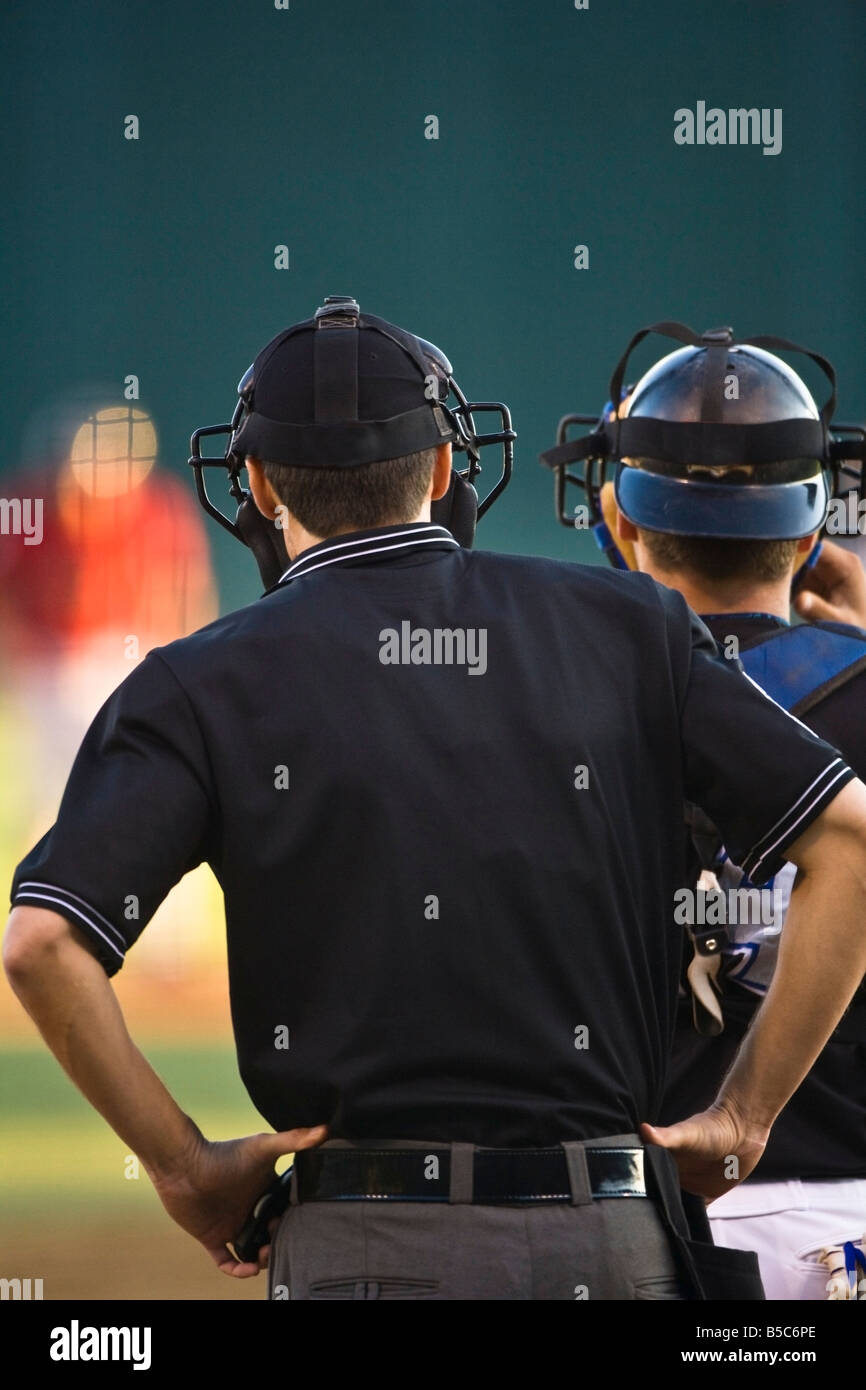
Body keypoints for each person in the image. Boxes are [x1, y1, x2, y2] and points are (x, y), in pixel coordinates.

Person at [6, 301, 866, 1303]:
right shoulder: (624, 625)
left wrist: (183, 1167)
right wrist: (743, 1117)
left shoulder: (198, 682)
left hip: (358, 1239)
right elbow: (845, 839)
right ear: (447, 469)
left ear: (255, 483)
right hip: (611, 1240)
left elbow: (42, 945)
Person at [542, 320, 866, 1300]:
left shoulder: (538, 702)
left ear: (619, 518)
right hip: (842, 1221)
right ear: (811, 533)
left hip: (612, 1218)